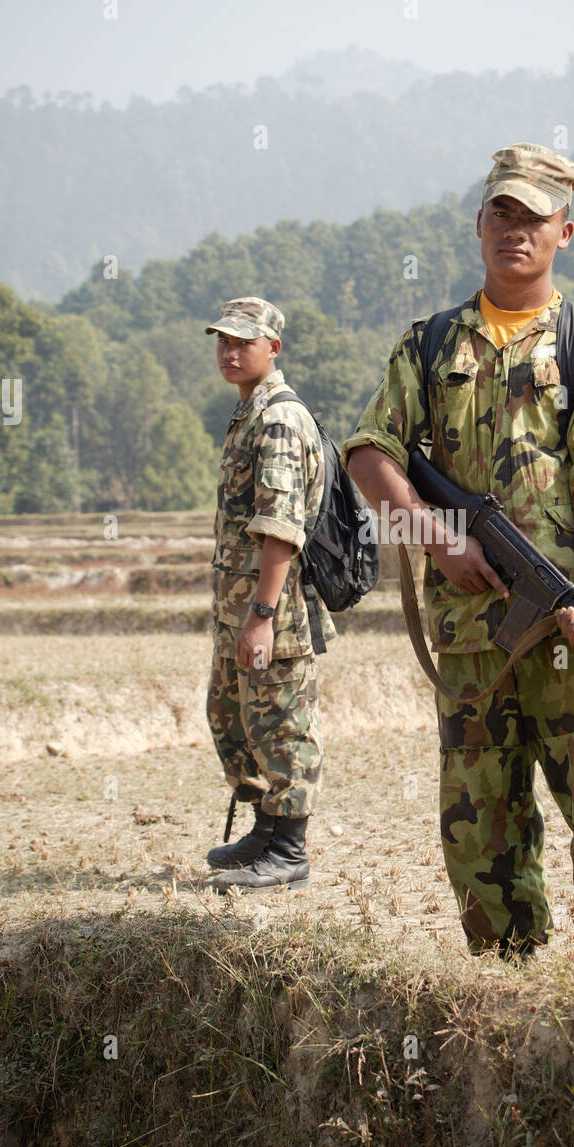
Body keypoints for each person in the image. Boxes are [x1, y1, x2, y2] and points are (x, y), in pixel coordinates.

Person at [343, 144, 574, 972]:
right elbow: (370, 451)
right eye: (501, 213)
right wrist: (433, 536)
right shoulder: (428, 346)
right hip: (475, 623)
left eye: (533, 217)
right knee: (480, 808)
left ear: (567, 230)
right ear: (479, 224)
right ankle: (504, 977)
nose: (514, 230)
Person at [203, 296, 334, 892]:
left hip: (273, 613)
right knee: (235, 720)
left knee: (281, 727)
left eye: (243, 342)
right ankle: (265, 829)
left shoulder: (278, 420)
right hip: (242, 611)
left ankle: (288, 850)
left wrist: (260, 616)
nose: (230, 352)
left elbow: (281, 527)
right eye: (223, 341)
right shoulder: (247, 413)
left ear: (272, 348)